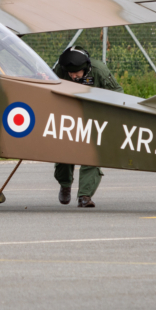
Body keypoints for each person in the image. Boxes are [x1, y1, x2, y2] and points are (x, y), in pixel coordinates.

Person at [54, 46, 122, 208]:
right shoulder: (60, 70)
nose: (73, 76)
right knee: (63, 154)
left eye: (76, 72)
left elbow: (117, 92)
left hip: (94, 116)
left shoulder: (99, 71)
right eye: (70, 73)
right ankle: (65, 185)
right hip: (67, 116)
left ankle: (85, 196)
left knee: (91, 155)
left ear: (86, 68)